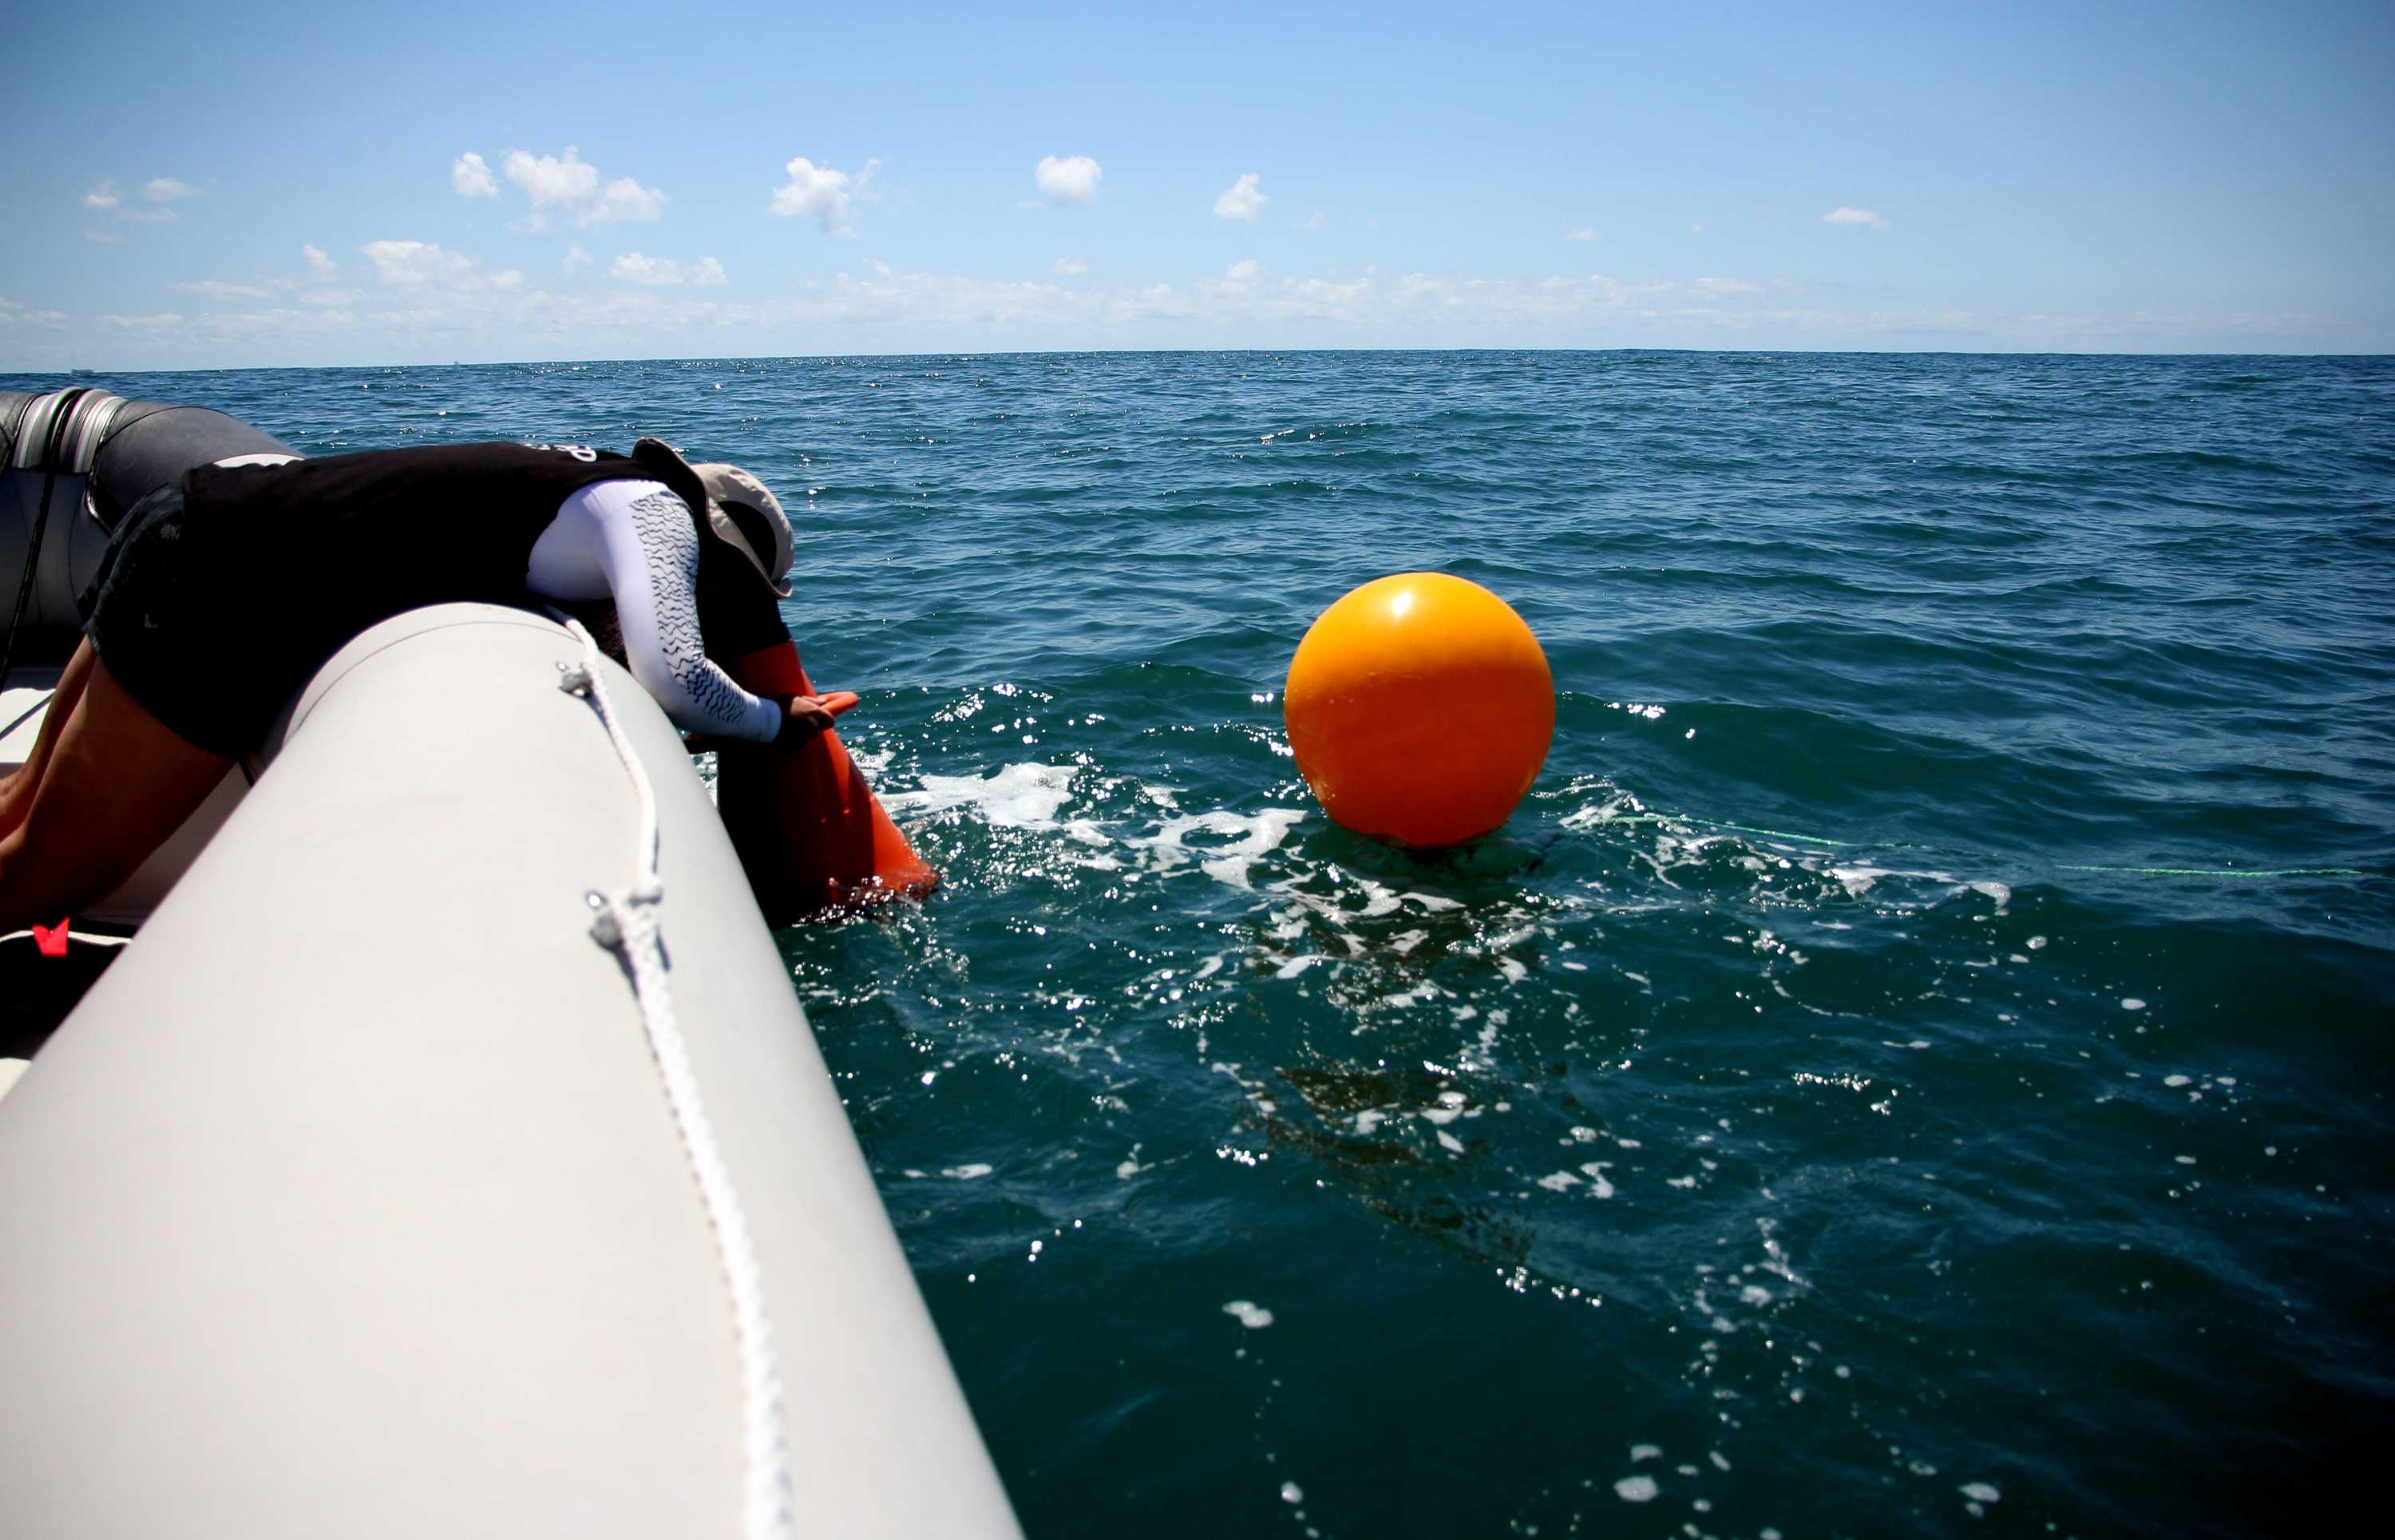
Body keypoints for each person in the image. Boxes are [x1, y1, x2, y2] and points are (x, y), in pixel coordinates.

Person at [0, 437, 849, 932]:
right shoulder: (658, 515)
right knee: (46, 878)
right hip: (219, 588)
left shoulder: (574, 489)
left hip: (189, 525)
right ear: (719, 556)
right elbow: (676, 675)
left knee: (21, 815)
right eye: (735, 607)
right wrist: (773, 721)